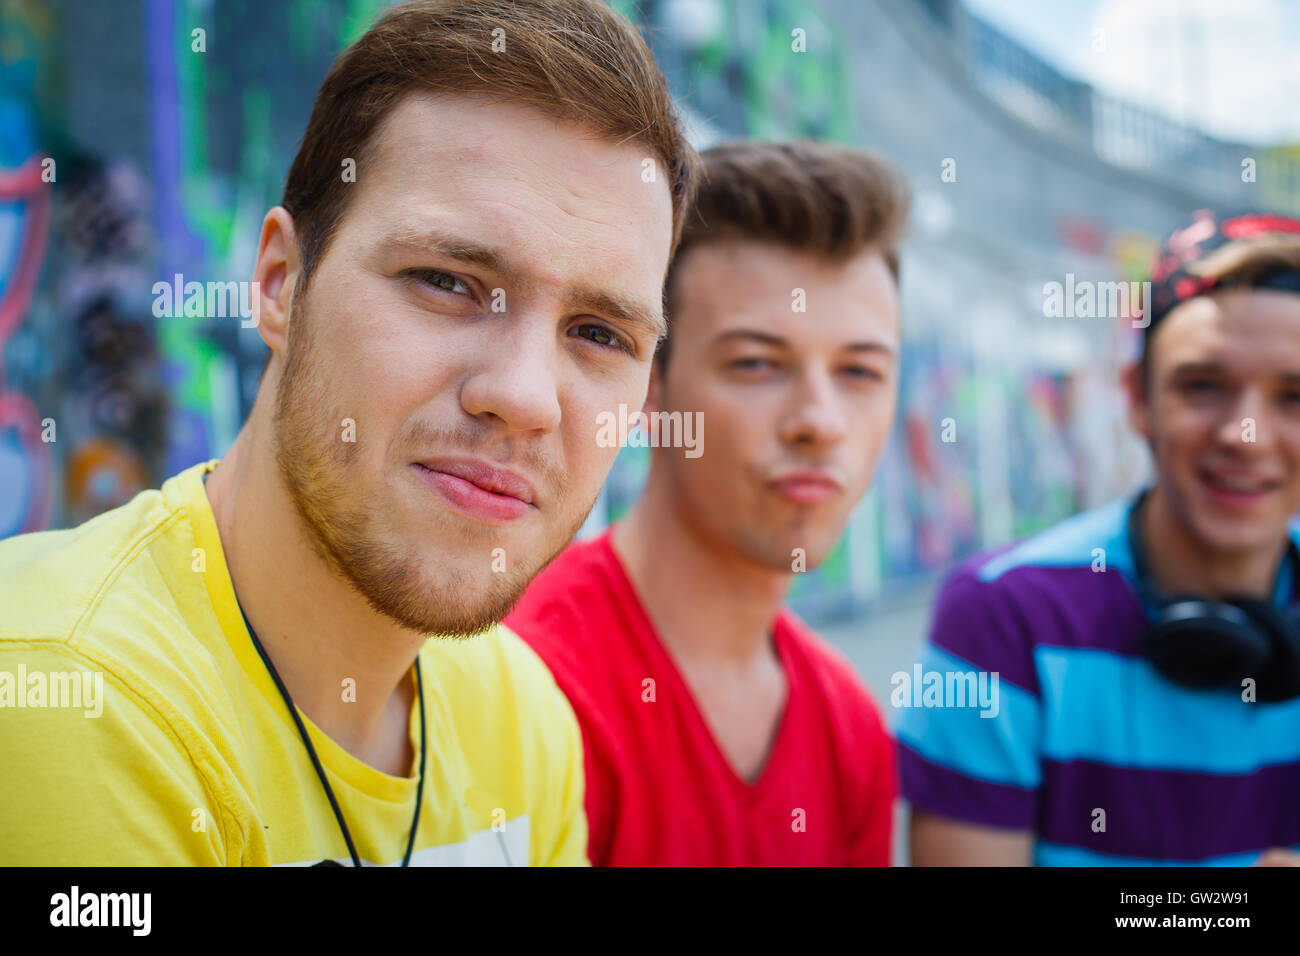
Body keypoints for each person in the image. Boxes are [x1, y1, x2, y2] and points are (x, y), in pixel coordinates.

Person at [0, 0, 699, 866]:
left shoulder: (525, 723)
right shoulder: (61, 694)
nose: (523, 397)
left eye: (600, 334)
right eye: (447, 280)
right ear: (280, 285)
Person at [505, 140, 909, 865]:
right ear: (650, 386)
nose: (819, 420)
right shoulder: (529, 688)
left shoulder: (850, 728)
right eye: (756, 363)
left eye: (860, 371)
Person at [901, 210, 1300, 866]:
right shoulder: (1004, 618)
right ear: (1137, 399)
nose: (1245, 435)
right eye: (1203, 386)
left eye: (1294, 396)